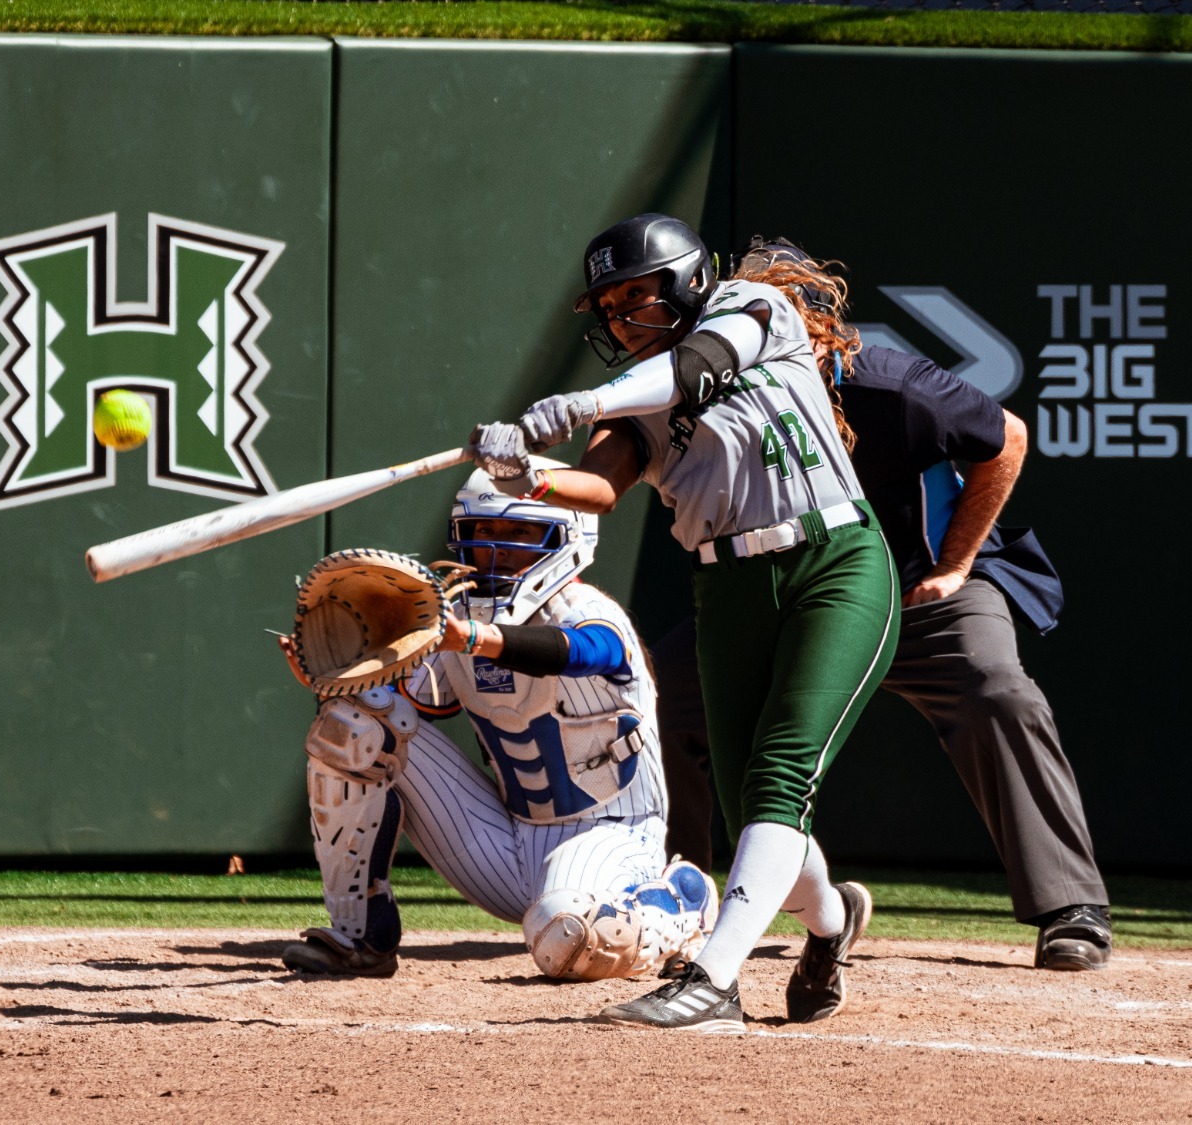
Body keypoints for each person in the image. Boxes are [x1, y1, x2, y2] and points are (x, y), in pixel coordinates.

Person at [469, 214, 899, 1032]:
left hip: (834, 562)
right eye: (611, 306)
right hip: (727, 588)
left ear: (687, 280)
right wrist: (526, 473)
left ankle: (714, 981)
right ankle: (832, 921)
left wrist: (580, 400)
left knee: (779, 777)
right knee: (756, 811)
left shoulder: (751, 308)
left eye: (638, 295)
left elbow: (693, 369)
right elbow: (599, 485)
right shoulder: (630, 401)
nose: (625, 316)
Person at [652, 242, 1113, 971]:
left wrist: (958, 564)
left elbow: (1007, 439)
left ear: (810, 328)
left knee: (994, 684)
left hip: (918, 587)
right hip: (797, 592)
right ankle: (680, 903)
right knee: (672, 683)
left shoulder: (892, 387)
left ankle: (1071, 905)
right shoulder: (720, 397)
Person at [276, 462, 717, 982]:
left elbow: (581, 651)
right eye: (484, 530)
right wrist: (333, 680)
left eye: (519, 532)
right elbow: (401, 704)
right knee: (351, 724)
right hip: (506, 840)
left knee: (567, 939)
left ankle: (685, 905)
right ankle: (359, 936)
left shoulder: (586, 610)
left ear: (566, 537)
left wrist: (473, 639)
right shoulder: (457, 616)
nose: (497, 547)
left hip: (610, 837)